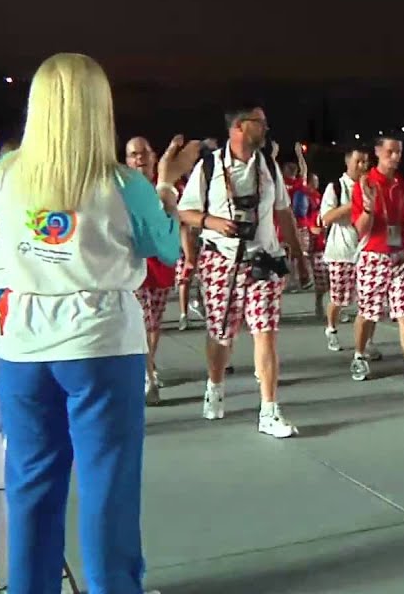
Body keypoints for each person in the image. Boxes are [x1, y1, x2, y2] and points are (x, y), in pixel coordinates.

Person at [0, 52, 194, 594]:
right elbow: (165, 249)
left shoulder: (6, 176)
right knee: (107, 483)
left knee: (30, 482)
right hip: (100, 344)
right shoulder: (124, 184)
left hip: (23, 345)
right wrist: (166, 191)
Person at [177, 105, 310, 438]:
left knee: (265, 332)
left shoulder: (269, 167)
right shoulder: (208, 166)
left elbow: (283, 213)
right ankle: (216, 385)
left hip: (264, 259)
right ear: (239, 127)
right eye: (260, 122)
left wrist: (299, 254)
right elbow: (185, 211)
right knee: (222, 333)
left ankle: (269, 410)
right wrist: (213, 222)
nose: (266, 128)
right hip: (221, 260)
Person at [348, 136, 404, 389]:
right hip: (373, 255)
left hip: (399, 255)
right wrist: (368, 208)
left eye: (399, 152)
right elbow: (361, 229)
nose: (395, 157)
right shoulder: (365, 184)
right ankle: (359, 354)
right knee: (368, 312)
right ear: (378, 152)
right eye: (390, 151)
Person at [125, 136, 175, 406]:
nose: (140, 158)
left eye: (144, 152)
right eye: (134, 154)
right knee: (141, 322)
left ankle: (149, 366)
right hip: (132, 265)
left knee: (153, 323)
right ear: (127, 161)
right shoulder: (120, 189)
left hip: (160, 264)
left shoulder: (167, 186)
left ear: (154, 157)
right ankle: (146, 377)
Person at [319, 148, 371, 351]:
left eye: (366, 161)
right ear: (348, 162)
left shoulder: (371, 185)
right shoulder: (336, 187)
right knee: (339, 297)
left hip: (366, 251)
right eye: (359, 161)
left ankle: (367, 343)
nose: (363, 166)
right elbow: (327, 217)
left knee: (369, 301)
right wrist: (354, 204)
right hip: (341, 251)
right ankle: (331, 328)